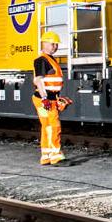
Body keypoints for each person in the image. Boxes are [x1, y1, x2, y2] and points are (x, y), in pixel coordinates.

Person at [32, 31, 68, 166]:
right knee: (54, 126)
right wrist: (45, 98)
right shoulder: (42, 60)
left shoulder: (49, 59)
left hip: (46, 99)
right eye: (52, 44)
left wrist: (56, 97)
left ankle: (46, 156)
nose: (55, 47)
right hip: (45, 100)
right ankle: (56, 157)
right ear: (44, 43)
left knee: (47, 126)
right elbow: (38, 80)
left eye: (56, 44)